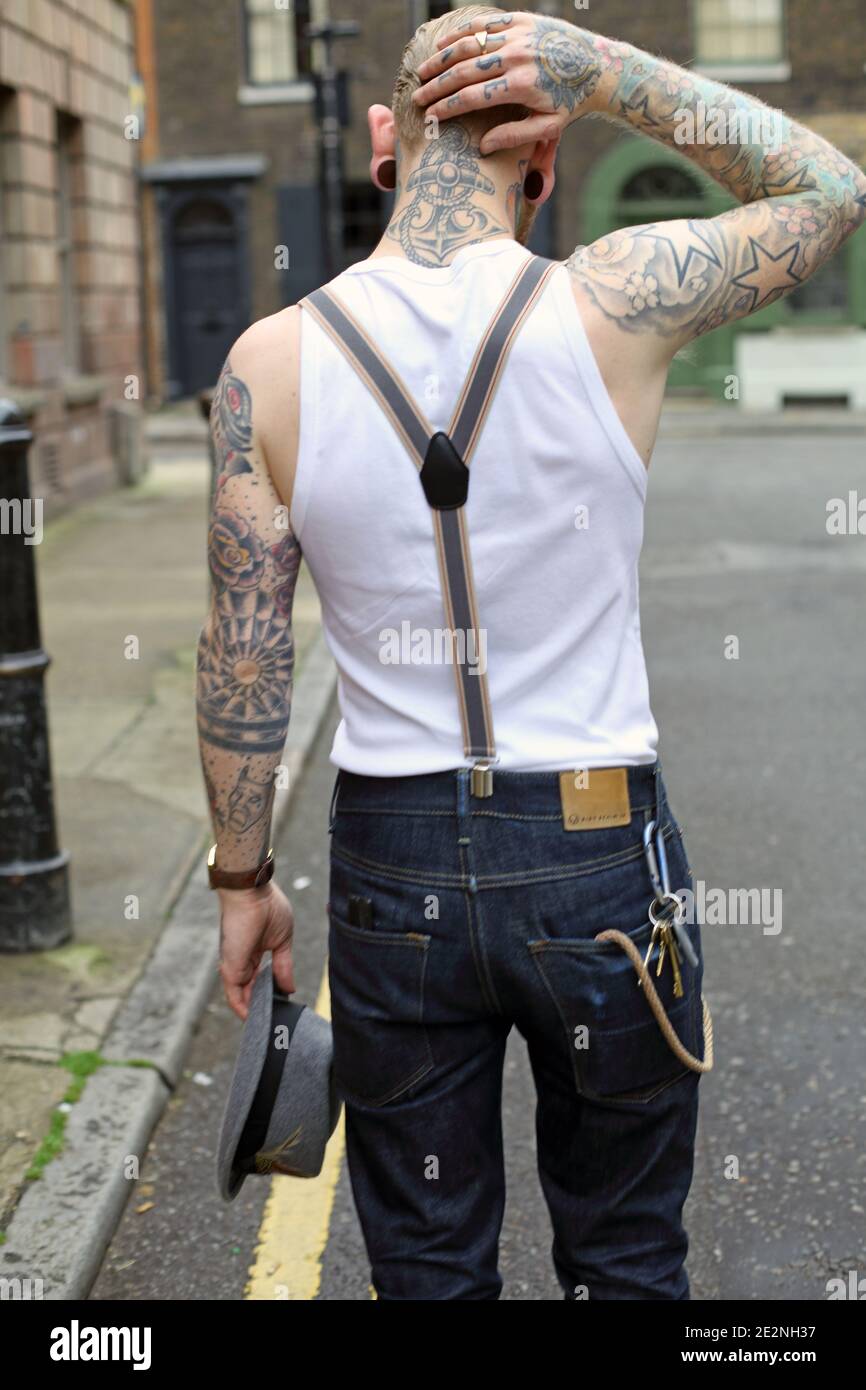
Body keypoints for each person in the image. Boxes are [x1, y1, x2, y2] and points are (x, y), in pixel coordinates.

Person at [196, 6, 865, 1299]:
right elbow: (829, 185)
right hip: (595, 855)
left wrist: (241, 880)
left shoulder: (262, 366)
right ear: (544, 159)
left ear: (383, 139)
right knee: (622, 1251)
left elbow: (245, 663)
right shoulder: (613, 302)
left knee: (428, 1259)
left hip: (391, 867)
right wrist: (610, 72)